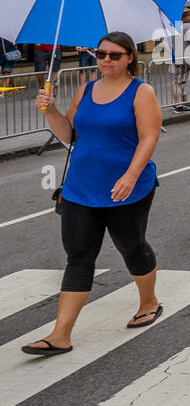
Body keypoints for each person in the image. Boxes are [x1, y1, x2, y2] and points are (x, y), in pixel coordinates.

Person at [24, 34, 162, 356]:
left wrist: (130, 175)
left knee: (132, 246)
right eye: (101, 54)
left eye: (115, 55)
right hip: (80, 188)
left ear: (130, 57)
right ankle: (61, 334)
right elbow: (70, 134)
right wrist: (50, 110)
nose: (106, 60)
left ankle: (149, 301)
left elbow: (149, 137)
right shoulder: (85, 89)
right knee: (79, 256)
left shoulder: (142, 92)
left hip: (126, 189)